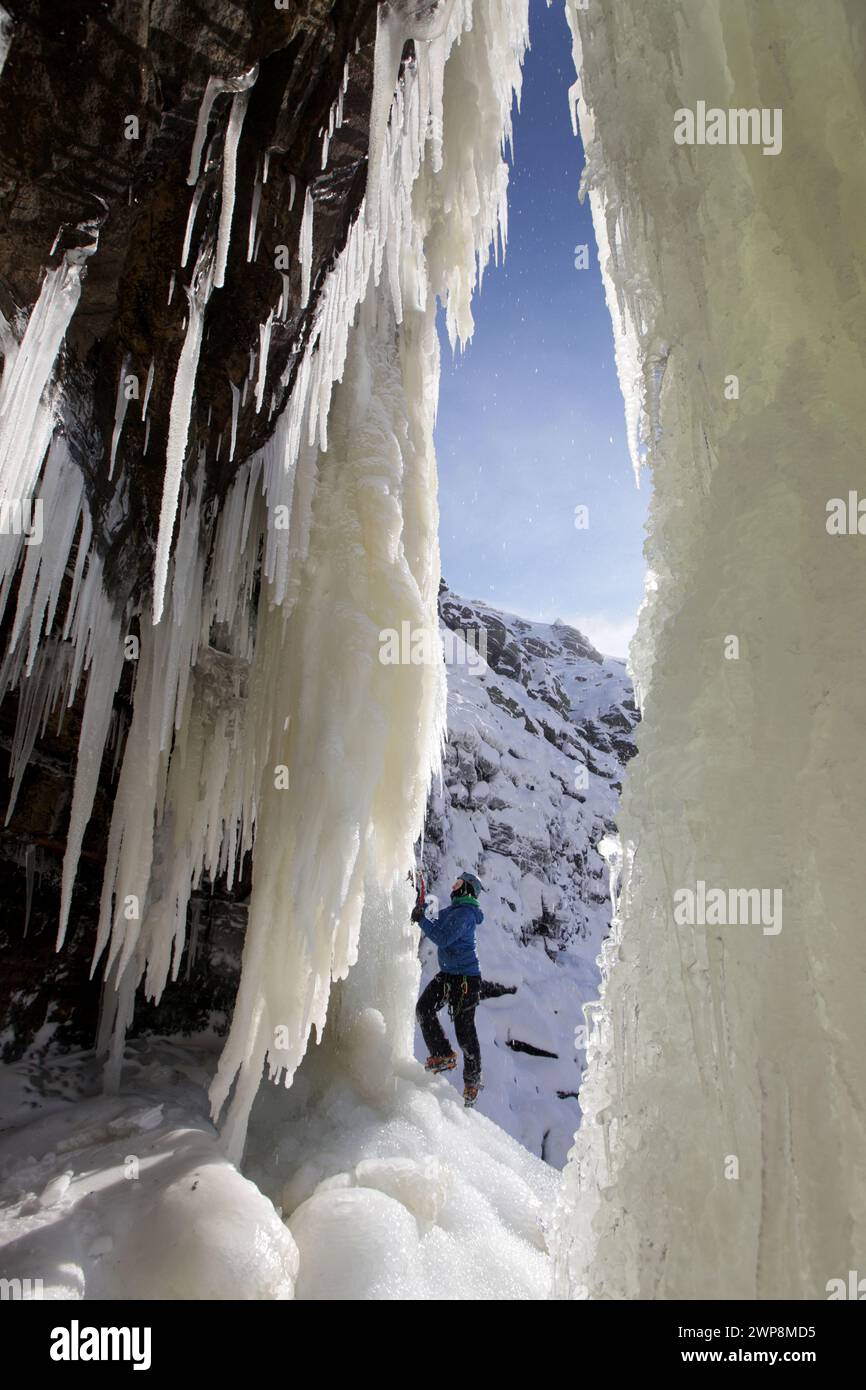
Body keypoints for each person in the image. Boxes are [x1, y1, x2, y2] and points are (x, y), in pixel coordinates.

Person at [412, 871, 485, 1107]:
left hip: (465, 980)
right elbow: (435, 920)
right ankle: (442, 1053)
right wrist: (420, 905)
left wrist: (421, 918)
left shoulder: (466, 915)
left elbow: (443, 938)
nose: (453, 887)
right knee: (424, 1008)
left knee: (465, 1032)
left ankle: (472, 1081)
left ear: (467, 889)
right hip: (451, 976)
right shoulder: (455, 911)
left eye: (458, 883)